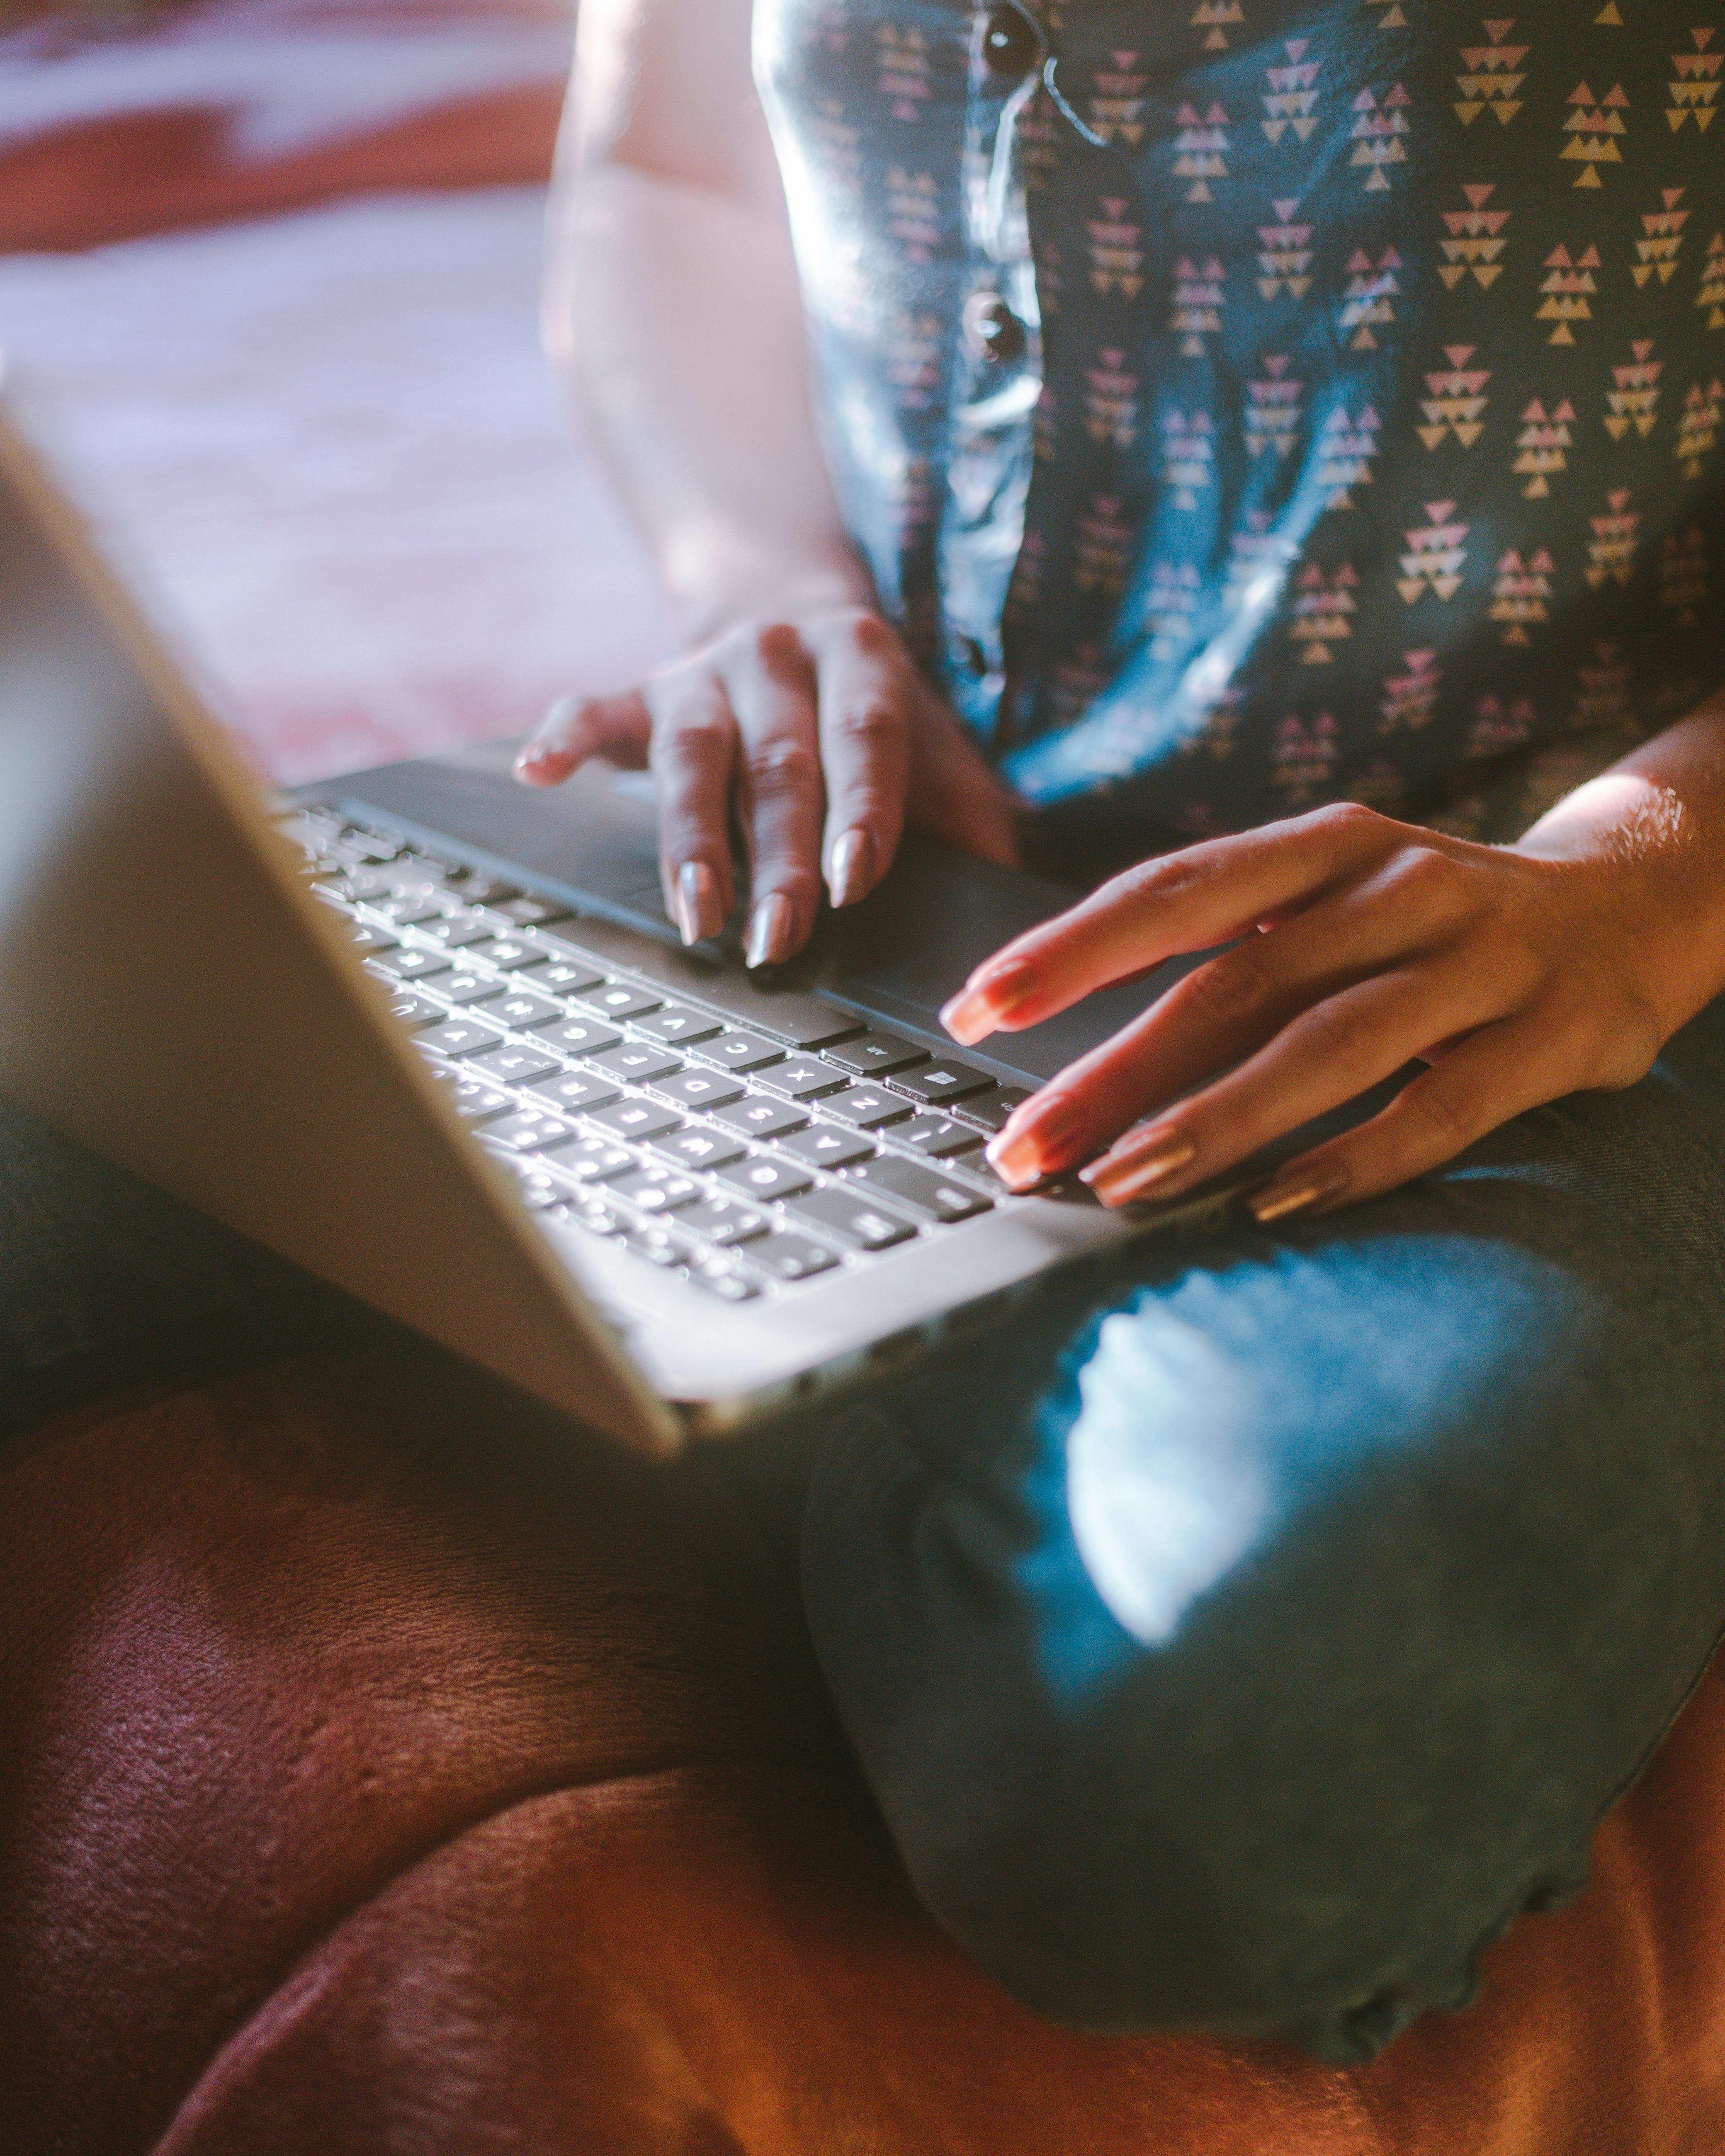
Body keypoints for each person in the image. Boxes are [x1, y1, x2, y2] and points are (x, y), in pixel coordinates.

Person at [506, 0, 1725, 2061]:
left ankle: (680, 1344)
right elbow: (664, 168)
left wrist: (1647, 877)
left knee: (1229, 1777)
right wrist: (765, 586)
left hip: (1544, 982)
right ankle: (749, 1326)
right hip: (862, 866)